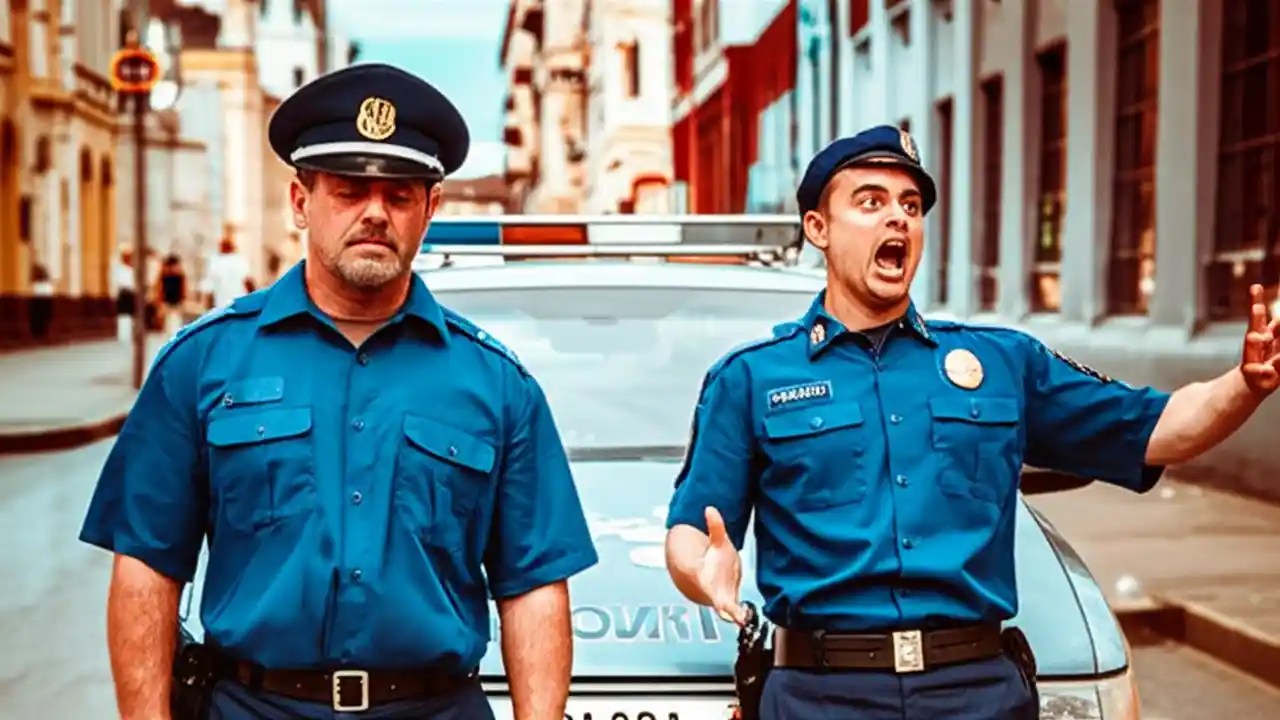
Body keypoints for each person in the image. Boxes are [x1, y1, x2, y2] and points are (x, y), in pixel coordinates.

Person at [662, 124, 1280, 720]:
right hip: (819, 695)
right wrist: (703, 575)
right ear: (818, 228)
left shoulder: (1002, 363)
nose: (897, 217)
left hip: (977, 692)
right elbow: (691, 534)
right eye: (870, 202)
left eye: (910, 204)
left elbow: (1157, 427)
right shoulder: (750, 379)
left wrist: (1244, 384)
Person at [79, 62, 599, 720]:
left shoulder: (497, 385)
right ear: (301, 202)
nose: (375, 213)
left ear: (430, 209)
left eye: (400, 195)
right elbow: (146, 570)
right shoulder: (203, 365)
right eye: (350, 190)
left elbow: (534, 588)